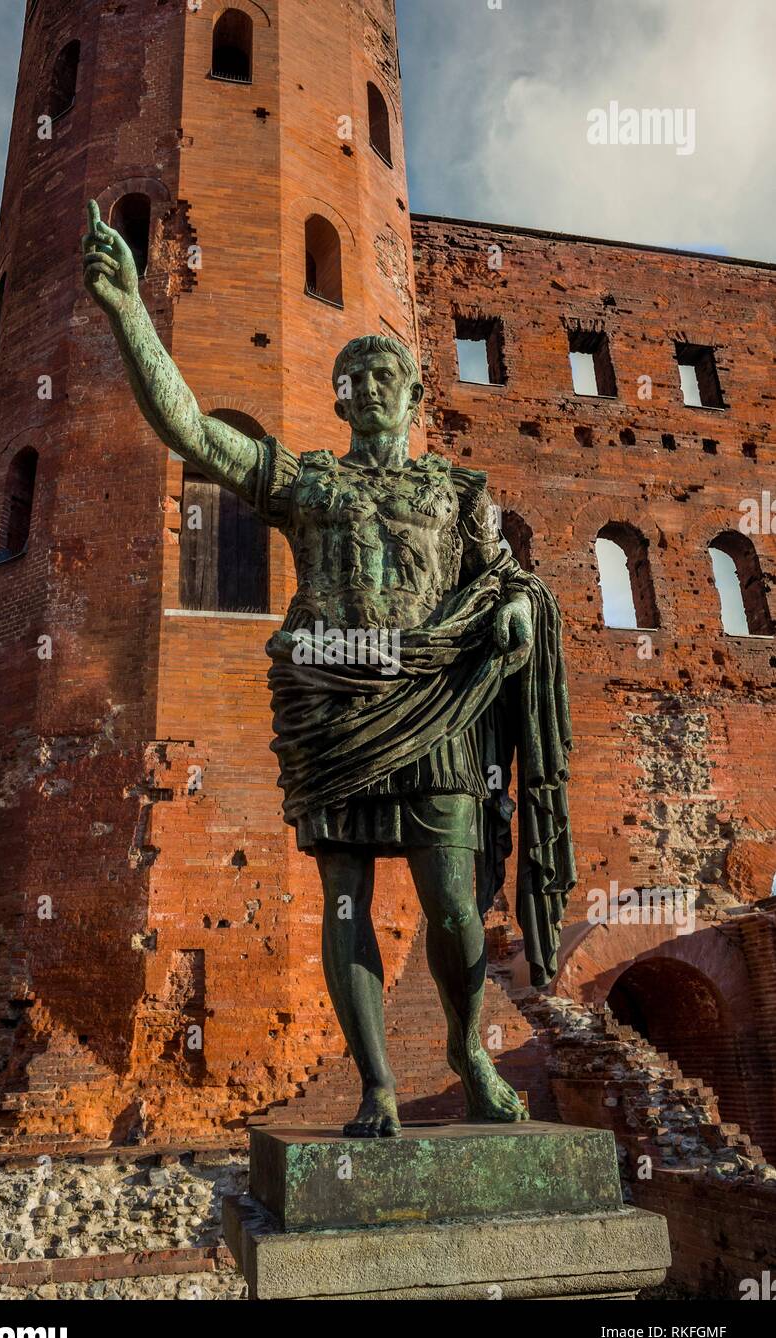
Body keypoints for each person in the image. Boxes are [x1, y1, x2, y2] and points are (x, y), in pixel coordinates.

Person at [83, 200, 576, 1137]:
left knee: (453, 903)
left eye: (388, 371)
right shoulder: (310, 482)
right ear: (339, 398)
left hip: (435, 705)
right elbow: (192, 430)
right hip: (332, 704)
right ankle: (378, 1087)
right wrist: (129, 312)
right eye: (356, 375)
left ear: (413, 394)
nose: (373, 384)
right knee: (344, 893)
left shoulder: (459, 491)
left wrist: (516, 604)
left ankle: (469, 1050)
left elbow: (509, 577)